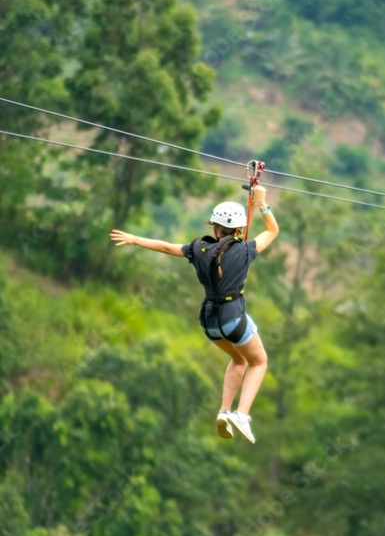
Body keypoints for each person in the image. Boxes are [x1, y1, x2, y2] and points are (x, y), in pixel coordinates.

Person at [109, 186, 278, 444]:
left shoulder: (198, 248)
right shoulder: (246, 250)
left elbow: (166, 248)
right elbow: (272, 231)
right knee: (258, 362)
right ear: (239, 230)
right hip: (232, 317)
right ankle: (241, 414)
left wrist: (135, 239)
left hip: (209, 321)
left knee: (239, 361)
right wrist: (263, 203)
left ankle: (224, 411)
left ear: (214, 228)